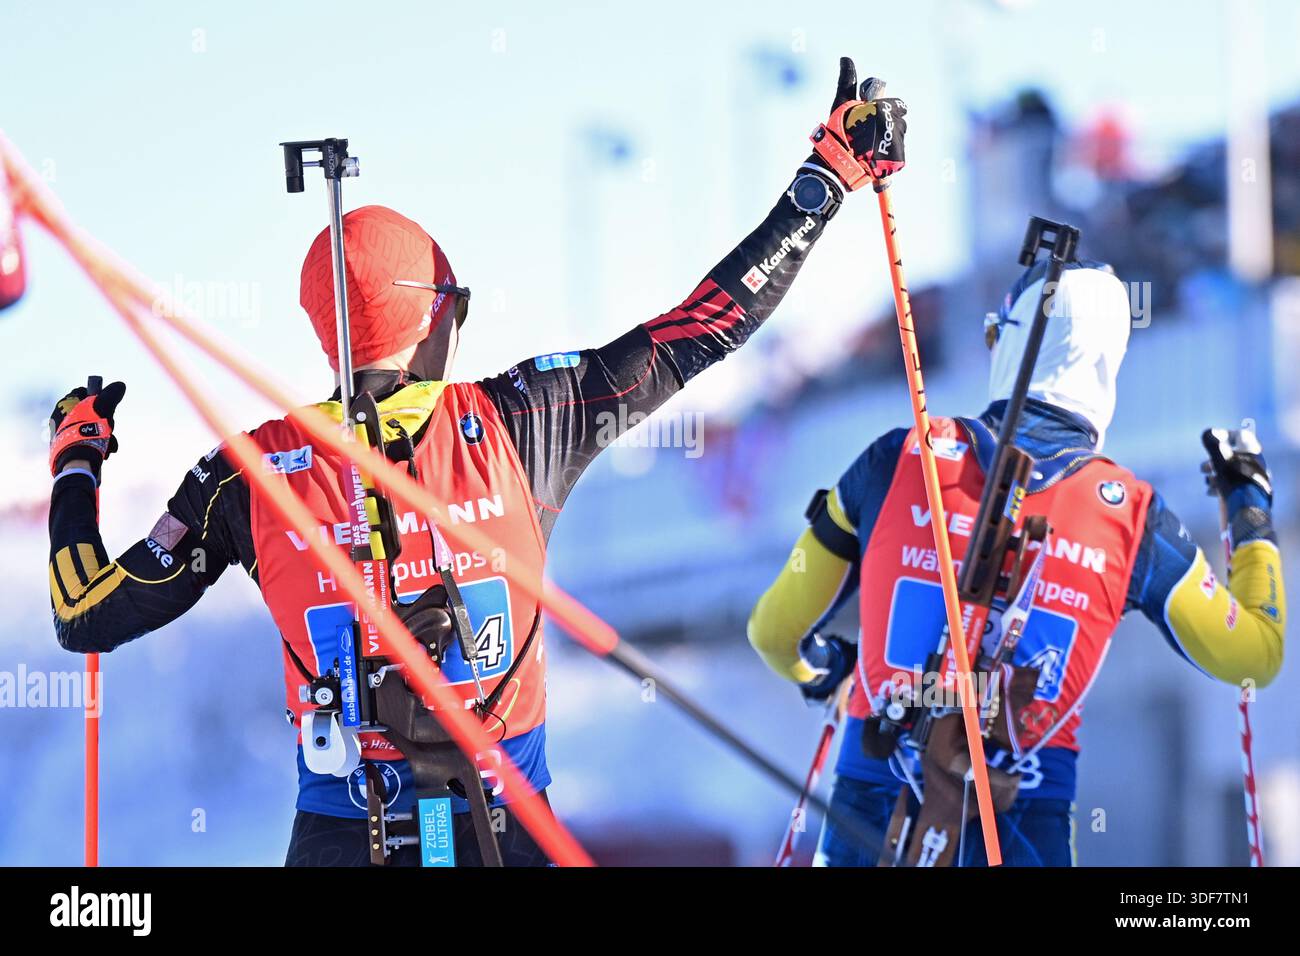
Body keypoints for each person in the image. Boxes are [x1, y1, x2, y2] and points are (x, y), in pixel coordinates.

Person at [45, 59, 907, 866]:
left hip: (342, 838)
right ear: (430, 319)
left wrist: (77, 460)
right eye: (458, 301)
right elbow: (705, 326)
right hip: (505, 832)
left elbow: (86, 614)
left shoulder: (247, 475)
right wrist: (825, 179)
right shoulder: (525, 419)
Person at [747, 260, 1286, 866]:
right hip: (1022, 826)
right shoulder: (1131, 516)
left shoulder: (897, 458)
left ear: (1004, 342)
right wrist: (1249, 504)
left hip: (871, 814)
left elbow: (772, 632)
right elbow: (1256, 656)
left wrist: (821, 669)